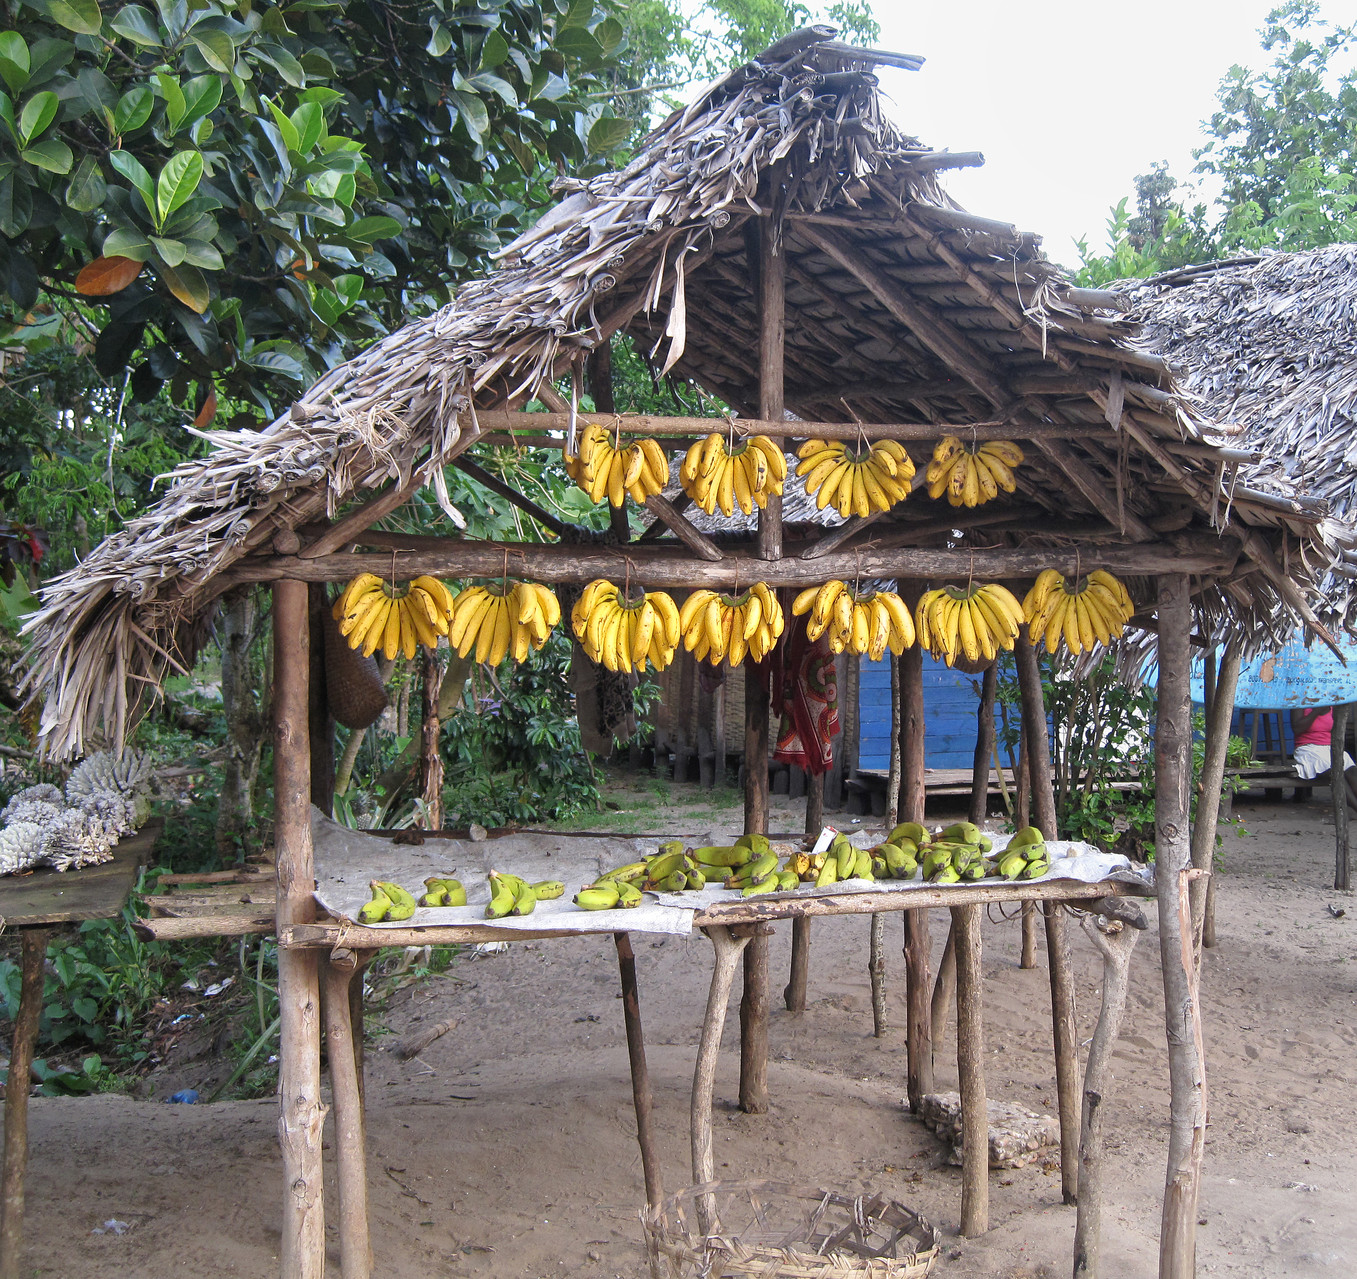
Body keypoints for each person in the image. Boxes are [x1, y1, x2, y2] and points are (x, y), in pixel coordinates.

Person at [1289, 706, 1357, 813]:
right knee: (1335, 773)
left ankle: (1351, 810)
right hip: (1308, 748)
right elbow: (1297, 729)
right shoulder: (1300, 703)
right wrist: (1316, 711)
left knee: (1352, 772)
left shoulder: (1330, 704)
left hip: (1330, 748)